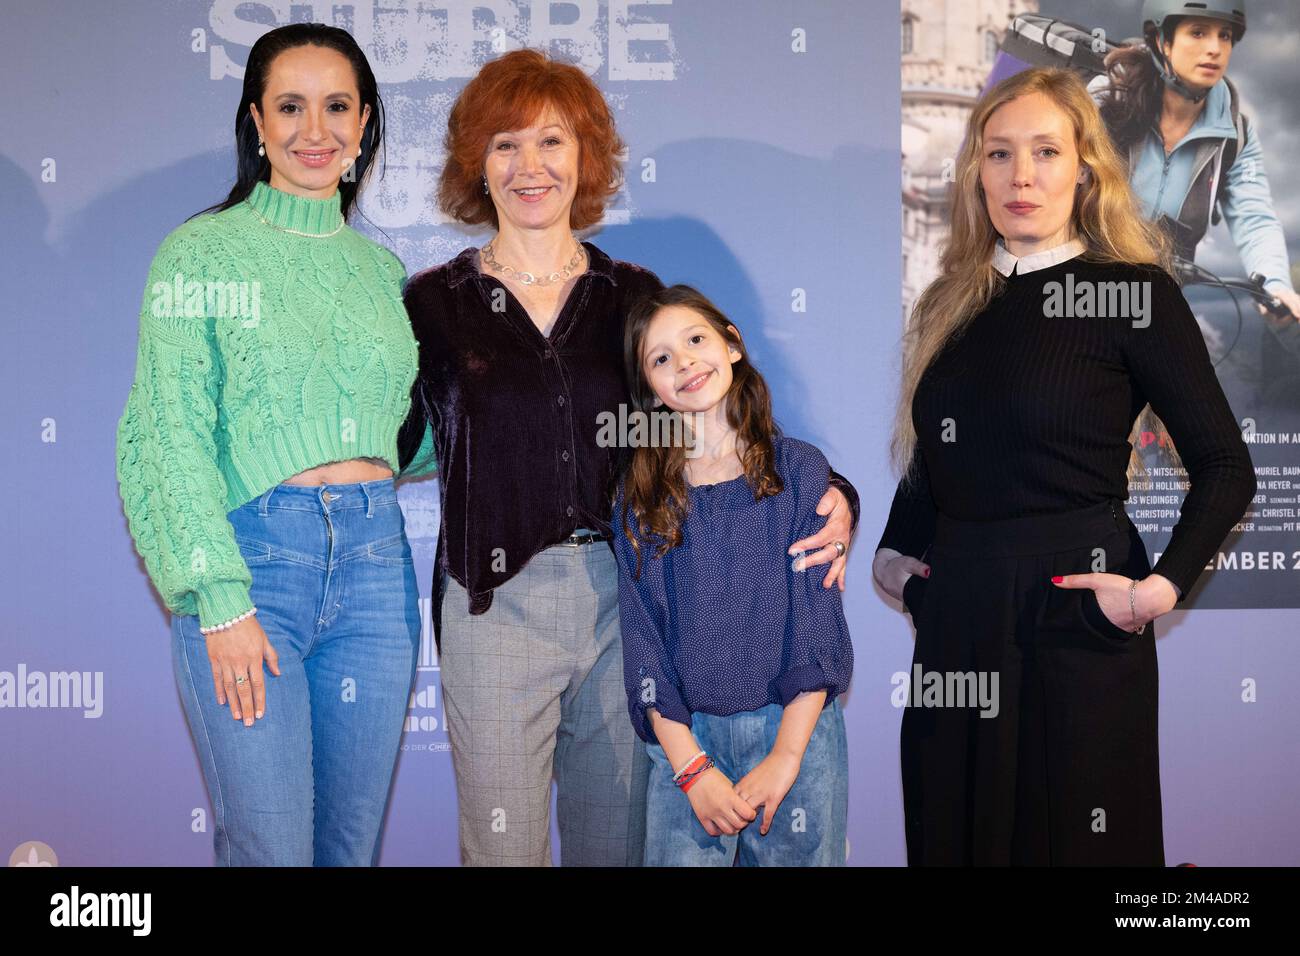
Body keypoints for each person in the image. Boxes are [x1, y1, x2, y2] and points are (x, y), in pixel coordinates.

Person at [397, 48, 859, 866]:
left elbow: (719, 417)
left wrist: (836, 493)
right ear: (478, 163)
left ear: (586, 159)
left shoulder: (633, 294)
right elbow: (385, 442)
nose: (528, 166)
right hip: (494, 609)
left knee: (617, 850)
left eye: (551, 142)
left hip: (630, 607)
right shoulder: (432, 304)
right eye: (503, 144)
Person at [873, 67, 1255, 865]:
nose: (1021, 176)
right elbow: (934, 458)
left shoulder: (1132, 294)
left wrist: (1154, 591)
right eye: (999, 153)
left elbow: (1224, 467)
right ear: (975, 170)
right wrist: (895, 561)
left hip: (1076, 611)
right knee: (956, 838)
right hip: (959, 622)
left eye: (1046, 151)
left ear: (1085, 167)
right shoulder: (950, 301)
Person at [115, 23, 436, 866]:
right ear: (255, 122)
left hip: (375, 570)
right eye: (290, 106)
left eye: (337, 106)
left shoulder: (380, 274)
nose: (315, 130)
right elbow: (165, 430)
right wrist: (219, 594)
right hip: (254, 565)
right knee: (271, 849)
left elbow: (411, 435)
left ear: (365, 124)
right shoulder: (199, 253)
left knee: (347, 850)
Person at [613, 285, 853, 867]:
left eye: (696, 339)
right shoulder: (639, 496)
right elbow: (644, 646)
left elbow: (815, 626)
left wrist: (786, 758)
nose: (685, 361)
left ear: (733, 344)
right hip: (686, 750)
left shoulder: (797, 469)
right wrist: (692, 769)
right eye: (661, 358)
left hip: (795, 737)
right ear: (650, 390)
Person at [1091, 0, 1299, 321]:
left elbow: (1254, 216)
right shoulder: (1107, 98)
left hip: (1153, 302)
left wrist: (1274, 284)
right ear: (1162, 41)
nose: (1215, 48)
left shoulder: (1234, 134)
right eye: (1198, 32)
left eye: (1225, 36)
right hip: (1078, 290)